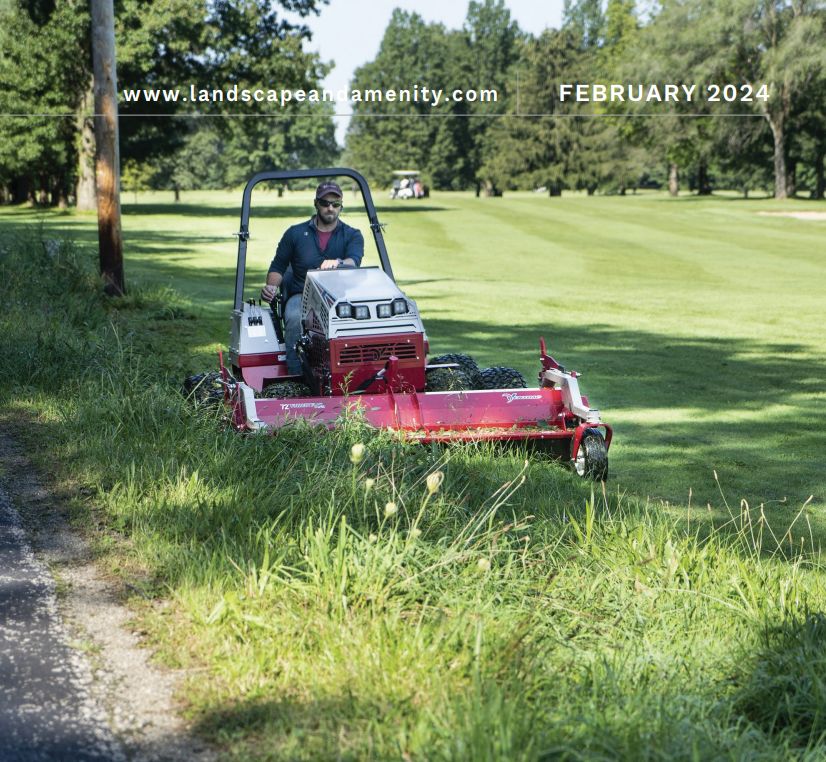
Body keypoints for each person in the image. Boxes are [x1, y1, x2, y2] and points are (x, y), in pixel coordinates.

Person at [261, 181, 364, 375]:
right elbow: (278, 267)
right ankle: (296, 375)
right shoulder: (295, 233)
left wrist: (338, 263)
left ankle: (350, 372)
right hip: (302, 294)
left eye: (335, 204)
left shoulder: (352, 235)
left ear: (341, 206)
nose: (330, 208)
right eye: (325, 203)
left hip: (339, 297)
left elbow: (353, 262)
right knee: (293, 316)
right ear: (316, 204)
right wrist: (271, 287)